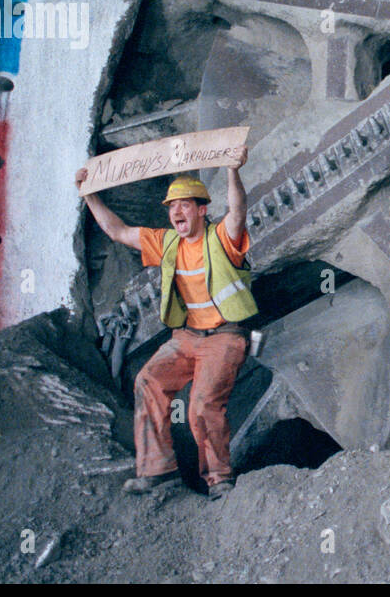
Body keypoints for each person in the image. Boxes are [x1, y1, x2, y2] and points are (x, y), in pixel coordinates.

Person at [75, 150, 257, 500]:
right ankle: (158, 471)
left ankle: (219, 479)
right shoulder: (167, 243)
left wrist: (233, 171)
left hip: (224, 338)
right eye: (172, 207)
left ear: (202, 210)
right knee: (149, 380)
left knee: (201, 404)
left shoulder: (221, 238)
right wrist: (89, 196)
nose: (176, 212)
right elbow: (117, 231)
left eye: (184, 205)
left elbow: (238, 211)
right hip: (186, 338)